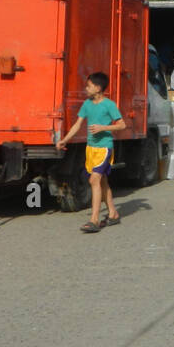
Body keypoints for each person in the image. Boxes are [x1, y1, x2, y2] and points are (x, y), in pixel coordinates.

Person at [57, 71, 126, 233]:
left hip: (104, 148)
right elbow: (77, 124)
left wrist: (104, 127)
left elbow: (122, 125)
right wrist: (64, 140)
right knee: (102, 182)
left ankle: (94, 220)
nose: (86, 89)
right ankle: (113, 213)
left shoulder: (109, 104)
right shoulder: (87, 104)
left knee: (94, 180)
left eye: (88, 86)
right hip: (91, 148)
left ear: (98, 87)